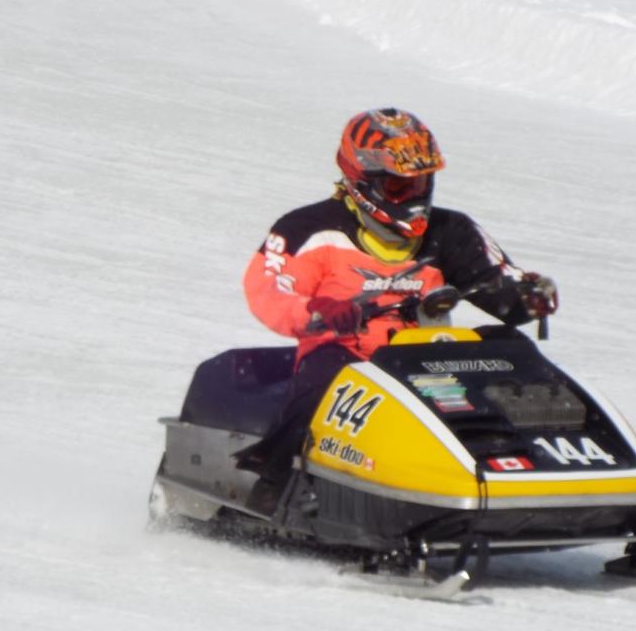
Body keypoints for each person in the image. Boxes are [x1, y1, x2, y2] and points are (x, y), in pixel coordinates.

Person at [237, 107, 557, 506]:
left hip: (430, 357)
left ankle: (548, 461)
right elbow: (269, 289)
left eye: (420, 183)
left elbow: (495, 281)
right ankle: (273, 487)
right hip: (351, 357)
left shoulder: (451, 231)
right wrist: (316, 309)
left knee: (514, 350)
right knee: (324, 383)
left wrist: (527, 299)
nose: (413, 197)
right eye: (398, 187)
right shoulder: (308, 228)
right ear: (361, 181)